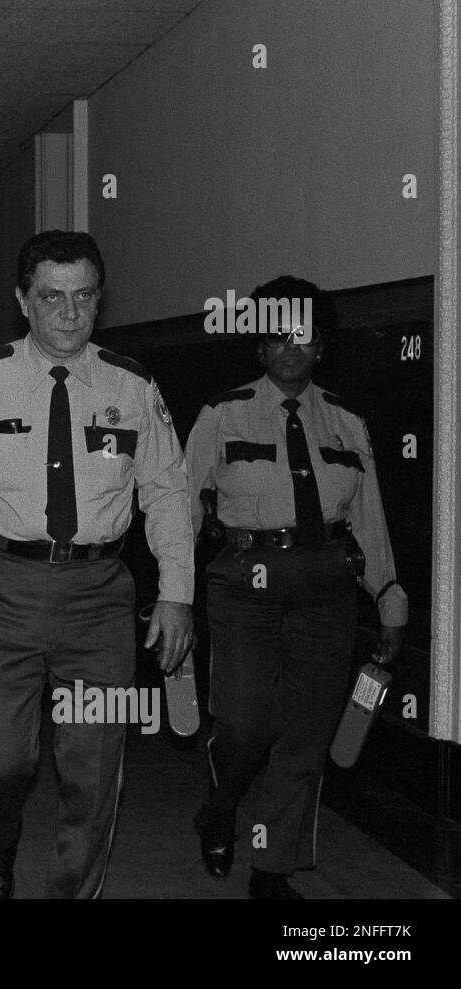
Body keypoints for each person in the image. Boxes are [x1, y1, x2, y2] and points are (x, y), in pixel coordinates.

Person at [0, 229, 195, 898]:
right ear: (23, 300)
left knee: (94, 766)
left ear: (99, 300)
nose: (69, 313)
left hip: (99, 595)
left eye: (83, 297)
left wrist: (177, 593)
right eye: (51, 297)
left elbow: (166, 487)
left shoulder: (132, 385)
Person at [183, 276, 406, 899]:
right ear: (258, 347)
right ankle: (220, 809)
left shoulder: (346, 422)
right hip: (244, 582)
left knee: (306, 735)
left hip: (326, 588)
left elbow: (371, 519)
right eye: (277, 335)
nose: (290, 347)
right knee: (246, 724)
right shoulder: (220, 414)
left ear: (320, 349)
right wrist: (174, 592)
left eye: (303, 337)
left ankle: (273, 867)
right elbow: (183, 510)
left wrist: (388, 598)